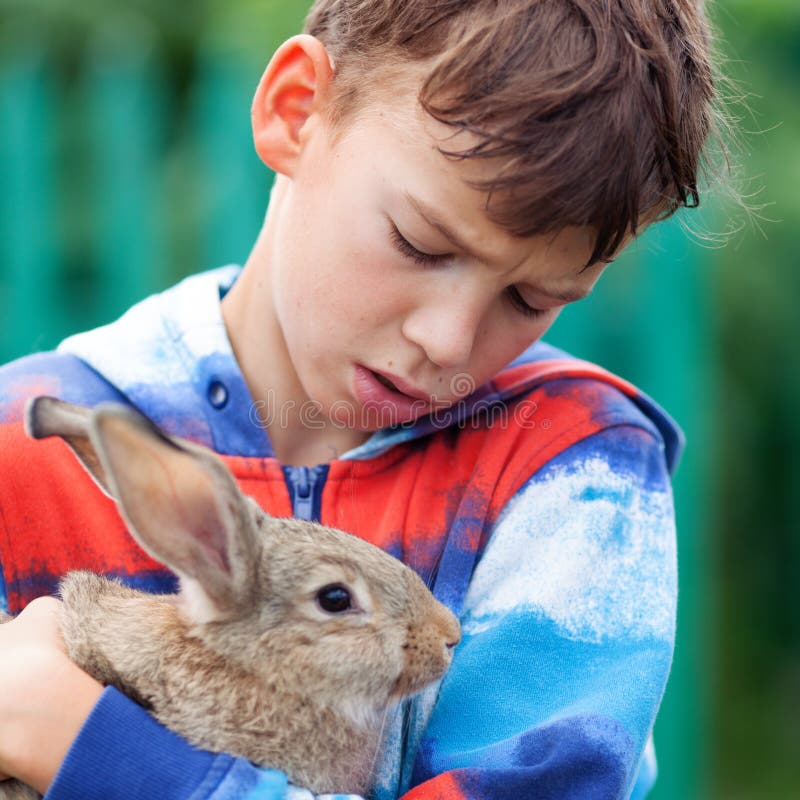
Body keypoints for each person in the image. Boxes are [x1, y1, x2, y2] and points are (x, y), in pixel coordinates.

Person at [0, 1, 720, 798]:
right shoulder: (22, 445)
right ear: (295, 110)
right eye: (421, 243)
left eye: (531, 297)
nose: (447, 341)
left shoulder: (571, 472)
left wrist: (104, 754)